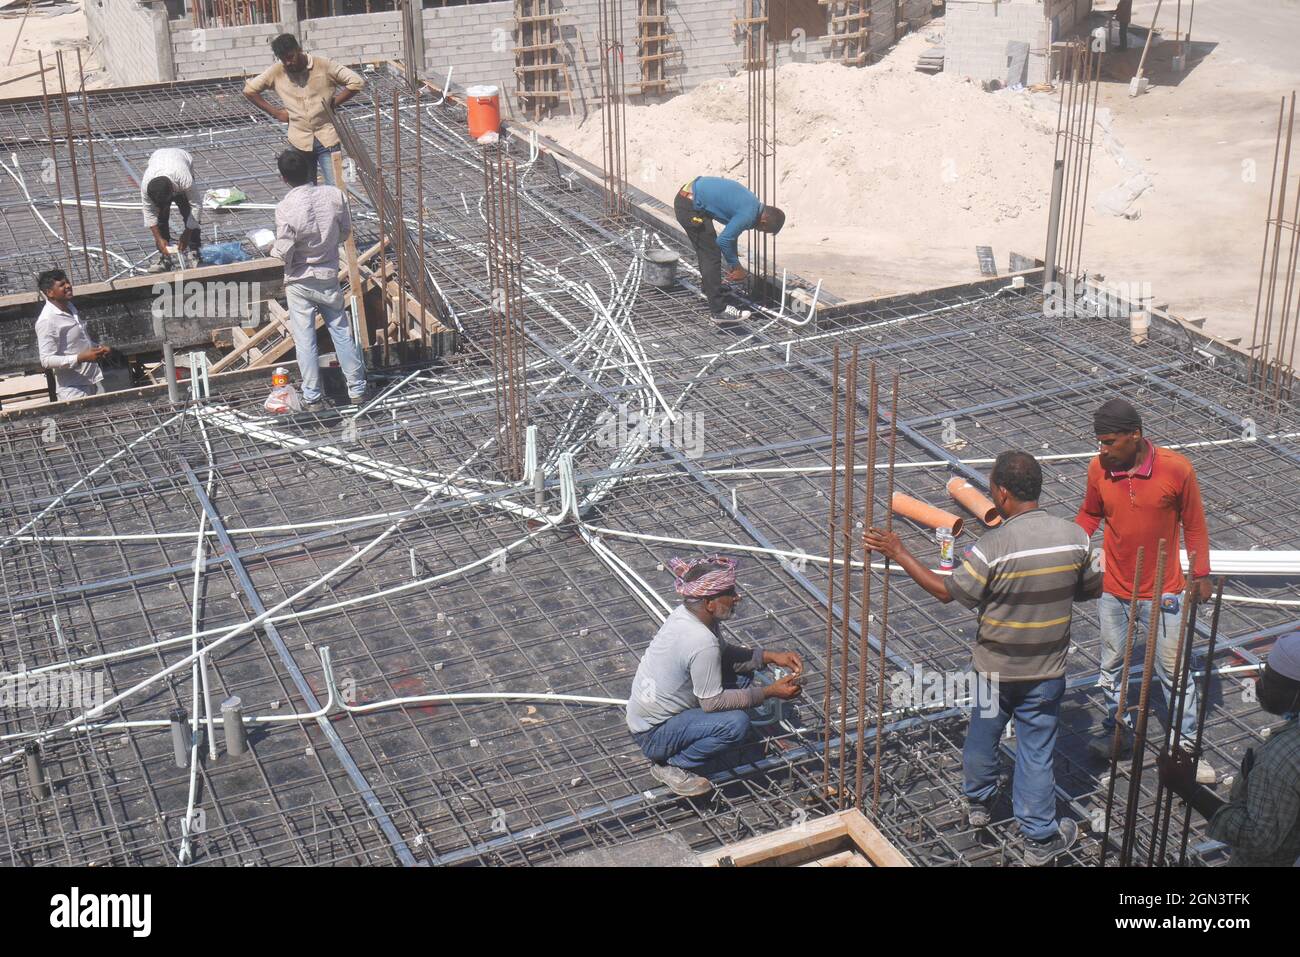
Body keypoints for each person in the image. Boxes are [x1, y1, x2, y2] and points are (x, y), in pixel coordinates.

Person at [866, 451, 1101, 866]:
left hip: (994, 669)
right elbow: (1088, 588)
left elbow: (947, 592)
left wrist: (899, 551)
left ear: (1003, 493)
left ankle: (978, 802)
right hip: (1045, 670)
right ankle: (1039, 838)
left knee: (983, 733)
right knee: (1036, 751)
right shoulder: (1076, 536)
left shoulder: (993, 546)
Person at [1076, 398, 1217, 783]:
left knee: (1173, 672)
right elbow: (1090, 513)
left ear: (1135, 436)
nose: (1102, 450)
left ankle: (1184, 746)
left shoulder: (1176, 469)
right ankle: (1120, 733)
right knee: (1111, 668)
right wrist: (1072, 546)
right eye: (1099, 442)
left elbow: (1195, 525)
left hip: (1165, 592)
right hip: (1114, 590)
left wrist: (1201, 573)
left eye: (1109, 442)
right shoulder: (1098, 469)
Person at [626, 556, 803, 797]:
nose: (737, 597)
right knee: (736, 723)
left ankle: (693, 737)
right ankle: (672, 765)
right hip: (654, 734)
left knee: (741, 678)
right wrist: (769, 692)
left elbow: (725, 654)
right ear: (710, 602)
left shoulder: (689, 616)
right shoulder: (701, 641)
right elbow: (712, 702)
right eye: (730, 593)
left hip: (647, 716)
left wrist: (771, 656)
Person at [1158, 631, 1300, 866]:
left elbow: (1257, 839)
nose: (1258, 684)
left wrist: (1188, 788)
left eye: (1272, 680)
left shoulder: (1280, 759)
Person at [269, 149, 367, 411]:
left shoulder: (285, 207)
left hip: (300, 280)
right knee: (341, 331)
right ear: (311, 169)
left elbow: (285, 249)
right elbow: (345, 231)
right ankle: (357, 388)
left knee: (305, 340)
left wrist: (272, 249)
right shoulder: (335, 195)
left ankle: (312, 397)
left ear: (283, 178)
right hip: (327, 275)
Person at [243, 34, 363, 187]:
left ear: (299, 50)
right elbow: (250, 90)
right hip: (299, 140)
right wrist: (276, 113)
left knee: (336, 188)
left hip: (327, 137)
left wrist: (334, 103)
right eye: (283, 59)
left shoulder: (323, 65)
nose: (288, 62)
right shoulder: (277, 71)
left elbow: (356, 82)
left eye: (290, 57)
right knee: (304, 191)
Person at [674, 176, 785, 327]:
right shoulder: (749, 215)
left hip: (691, 197)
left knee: (707, 249)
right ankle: (719, 311)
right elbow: (724, 241)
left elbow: (731, 237)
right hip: (688, 206)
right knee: (710, 254)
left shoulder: (752, 204)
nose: (760, 232)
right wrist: (737, 266)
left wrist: (734, 265)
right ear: (764, 222)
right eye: (764, 231)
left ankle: (710, 288)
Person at [34, 269, 110, 401]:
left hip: (90, 381)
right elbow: (46, 360)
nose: (68, 286)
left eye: (67, 282)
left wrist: (98, 348)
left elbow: (76, 341)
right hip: (73, 389)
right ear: (49, 293)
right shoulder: (47, 320)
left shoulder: (70, 307)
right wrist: (79, 358)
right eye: (62, 285)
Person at [140, 147, 203, 272]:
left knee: (187, 210)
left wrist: (187, 234)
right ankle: (165, 256)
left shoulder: (185, 180)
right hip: (158, 156)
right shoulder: (146, 187)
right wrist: (159, 238)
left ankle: (195, 251)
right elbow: (148, 213)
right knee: (161, 217)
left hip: (181, 158)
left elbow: (196, 205)